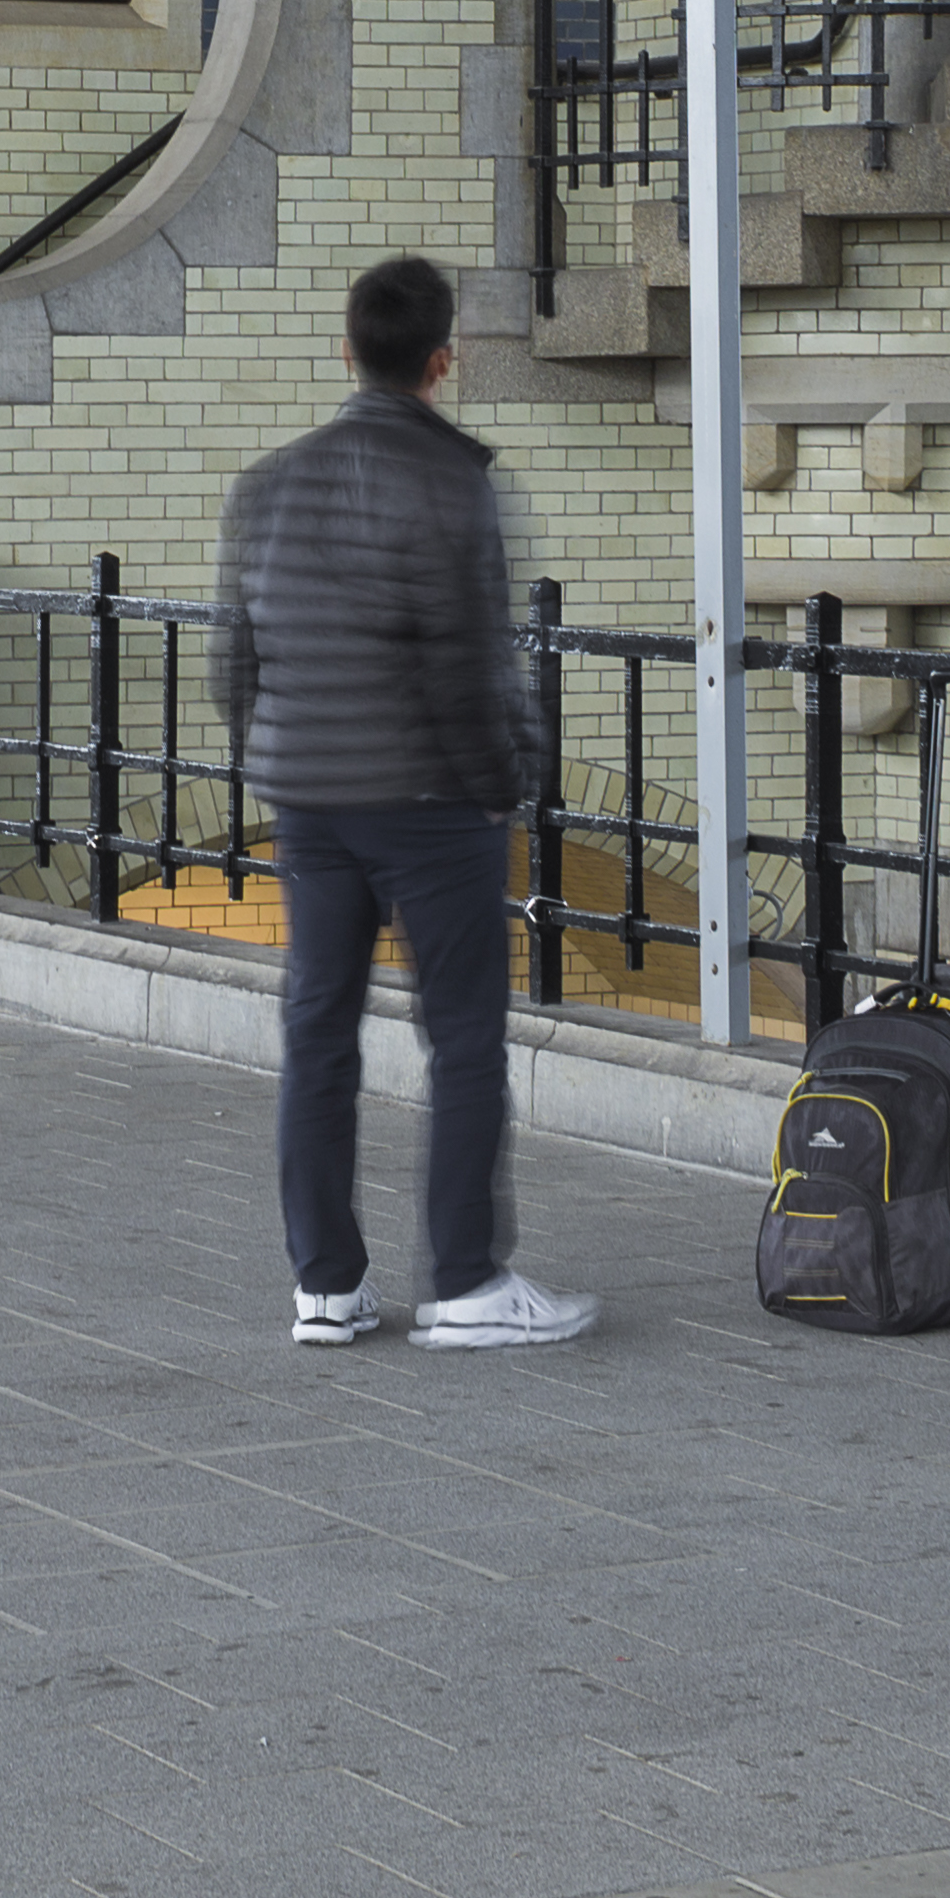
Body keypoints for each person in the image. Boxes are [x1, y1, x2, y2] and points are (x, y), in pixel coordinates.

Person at [219, 256, 587, 1349]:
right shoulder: (451, 482)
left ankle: (325, 1287)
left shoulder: (269, 480)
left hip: (309, 802)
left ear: (346, 350)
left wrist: (275, 761)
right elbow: (470, 669)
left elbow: (232, 662)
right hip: (428, 801)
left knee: (316, 1032)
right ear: (442, 360)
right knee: (463, 1037)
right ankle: (467, 1281)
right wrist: (501, 789)